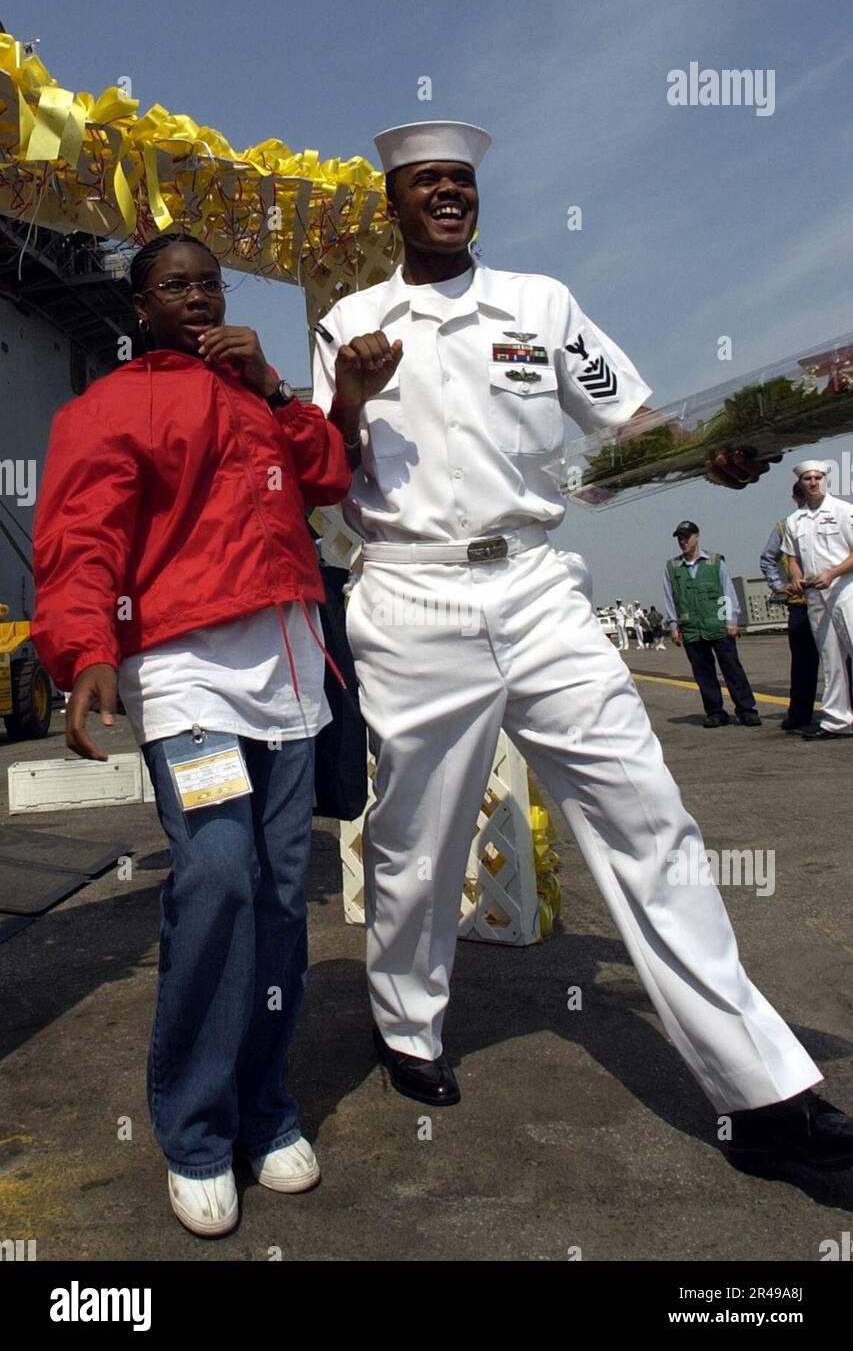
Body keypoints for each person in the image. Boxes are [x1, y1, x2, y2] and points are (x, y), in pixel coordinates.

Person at [312, 119, 853, 1169]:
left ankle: (762, 1094)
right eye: (426, 183)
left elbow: (631, 425)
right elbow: (326, 474)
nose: (448, 196)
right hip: (414, 593)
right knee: (415, 839)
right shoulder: (352, 321)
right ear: (392, 207)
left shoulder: (541, 305)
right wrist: (348, 398)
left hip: (537, 589)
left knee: (647, 816)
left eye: (461, 181)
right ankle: (406, 1023)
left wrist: (714, 451)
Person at [32, 232, 351, 1237]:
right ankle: (196, 1125)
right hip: (187, 675)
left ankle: (265, 1106)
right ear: (141, 307)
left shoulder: (261, 394)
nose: (199, 295)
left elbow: (330, 476)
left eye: (210, 281)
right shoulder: (109, 408)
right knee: (215, 876)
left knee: (277, 890)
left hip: (291, 666)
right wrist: (84, 650)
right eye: (176, 284)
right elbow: (81, 536)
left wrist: (274, 386)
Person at [663, 521, 761, 729]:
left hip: (718, 626)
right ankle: (715, 712)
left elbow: (727, 592)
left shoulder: (715, 562)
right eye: (680, 538)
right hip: (692, 629)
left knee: (732, 669)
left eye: (686, 537)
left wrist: (731, 621)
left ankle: (747, 710)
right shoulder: (672, 567)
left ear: (697, 537)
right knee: (703, 673)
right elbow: (670, 598)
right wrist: (673, 626)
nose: (683, 542)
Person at [782, 459, 853, 740]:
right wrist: (796, 577)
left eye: (818, 477)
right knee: (830, 657)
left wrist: (832, 573)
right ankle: (838, 720)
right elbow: (791, 558)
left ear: (825, 480)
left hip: (844, 589)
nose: (813, 482)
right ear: (801, 484)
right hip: (814, 594)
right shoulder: (794, 521)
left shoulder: (843, 511)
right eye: (808, 479)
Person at [759, 481, 820, 734]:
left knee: (844, 660)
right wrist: (780, 585)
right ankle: (799, 714)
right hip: (801, 605)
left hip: (830, 601)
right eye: (802, 495)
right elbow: (767, 558)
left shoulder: (831, 520)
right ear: (795, 498)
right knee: (804, 664)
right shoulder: (785, 527)